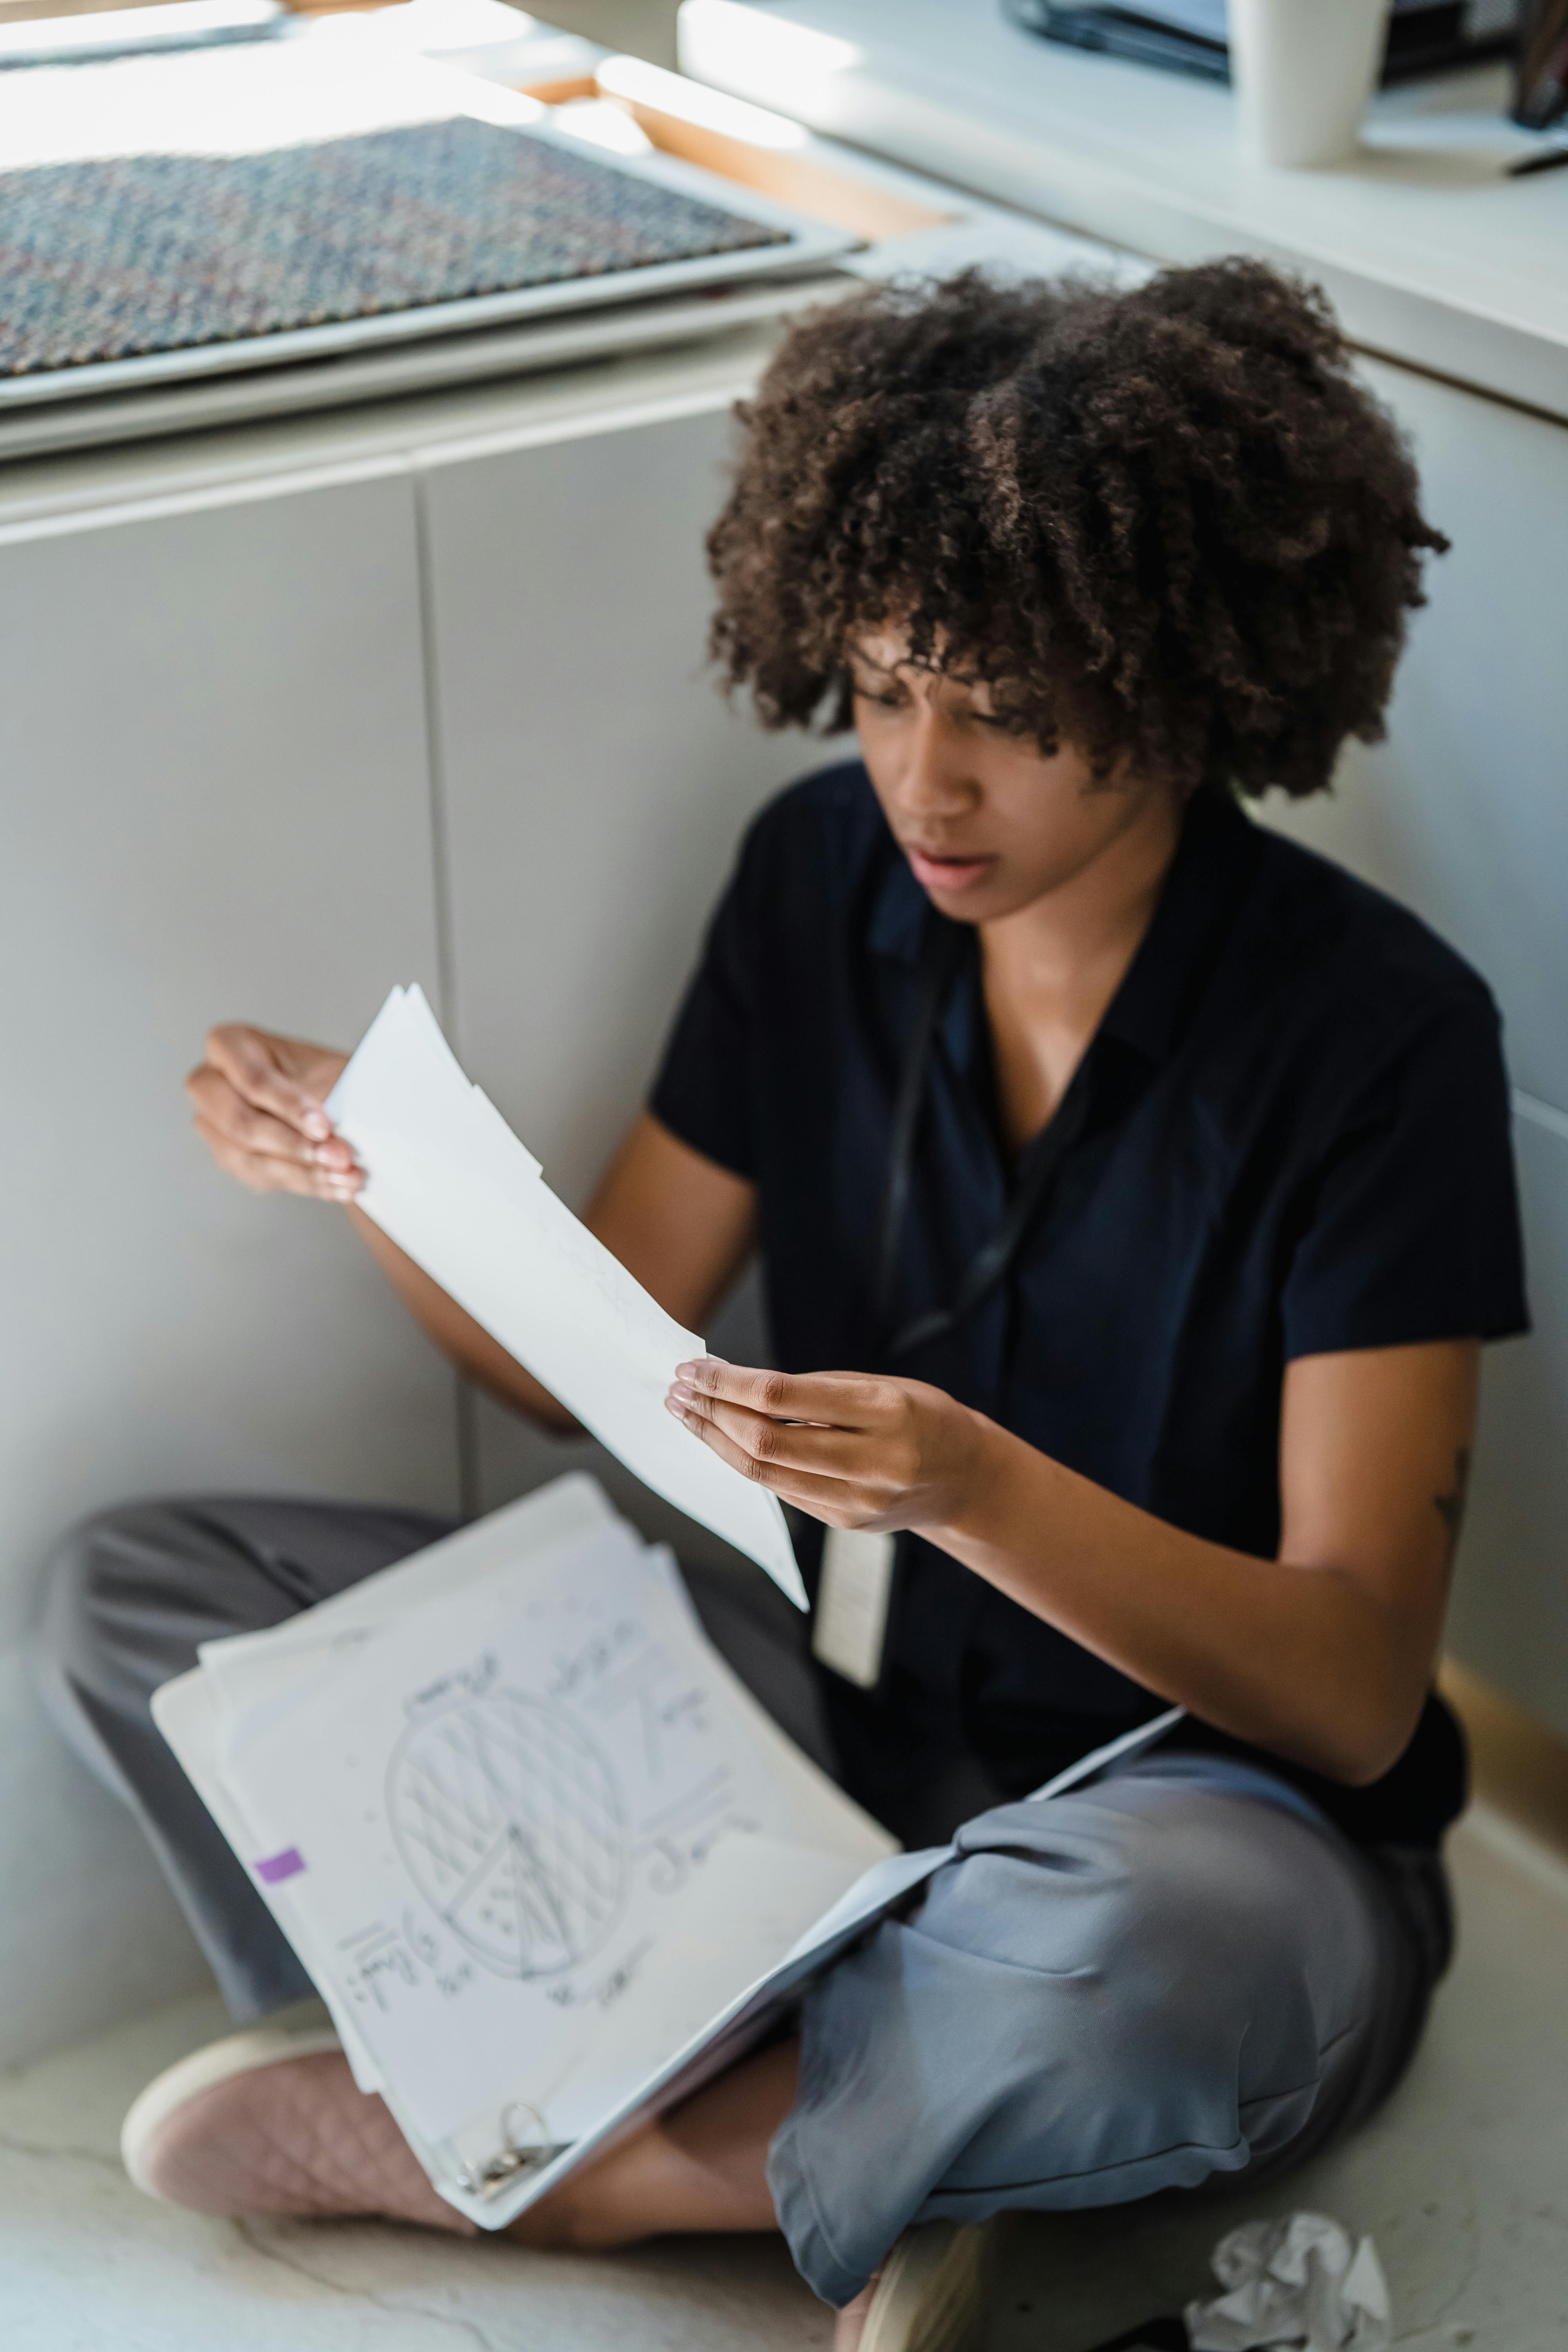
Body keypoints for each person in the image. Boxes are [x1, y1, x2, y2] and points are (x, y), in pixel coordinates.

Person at [28, 261, 1527, 2352]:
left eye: (1009, 711)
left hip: (1191, 1823)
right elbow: (589, 1351)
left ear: (1180, 683)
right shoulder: (818, 880)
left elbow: (1358, 1692)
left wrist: (979, 1493)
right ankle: (869, 2120)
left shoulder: (1381, 1039)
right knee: (142, 1600)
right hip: (820, 1735)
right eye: (890, 690)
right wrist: (368, 1159)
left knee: (1153, 1974)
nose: (928, 783)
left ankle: (623, 2163)